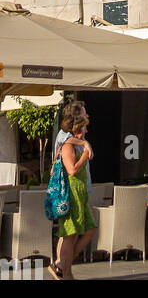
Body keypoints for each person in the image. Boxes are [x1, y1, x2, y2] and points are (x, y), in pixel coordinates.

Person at [50, 116, 97, 280]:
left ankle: (63, 265)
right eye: (84, 128)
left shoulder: (76, 144)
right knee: (70, 234)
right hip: (72, 194)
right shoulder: (68, 146)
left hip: (80, 195)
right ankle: (67, 273)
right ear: (77, 129)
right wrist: (84, 155)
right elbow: (72, 170)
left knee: (89, 229)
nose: (86, 131)